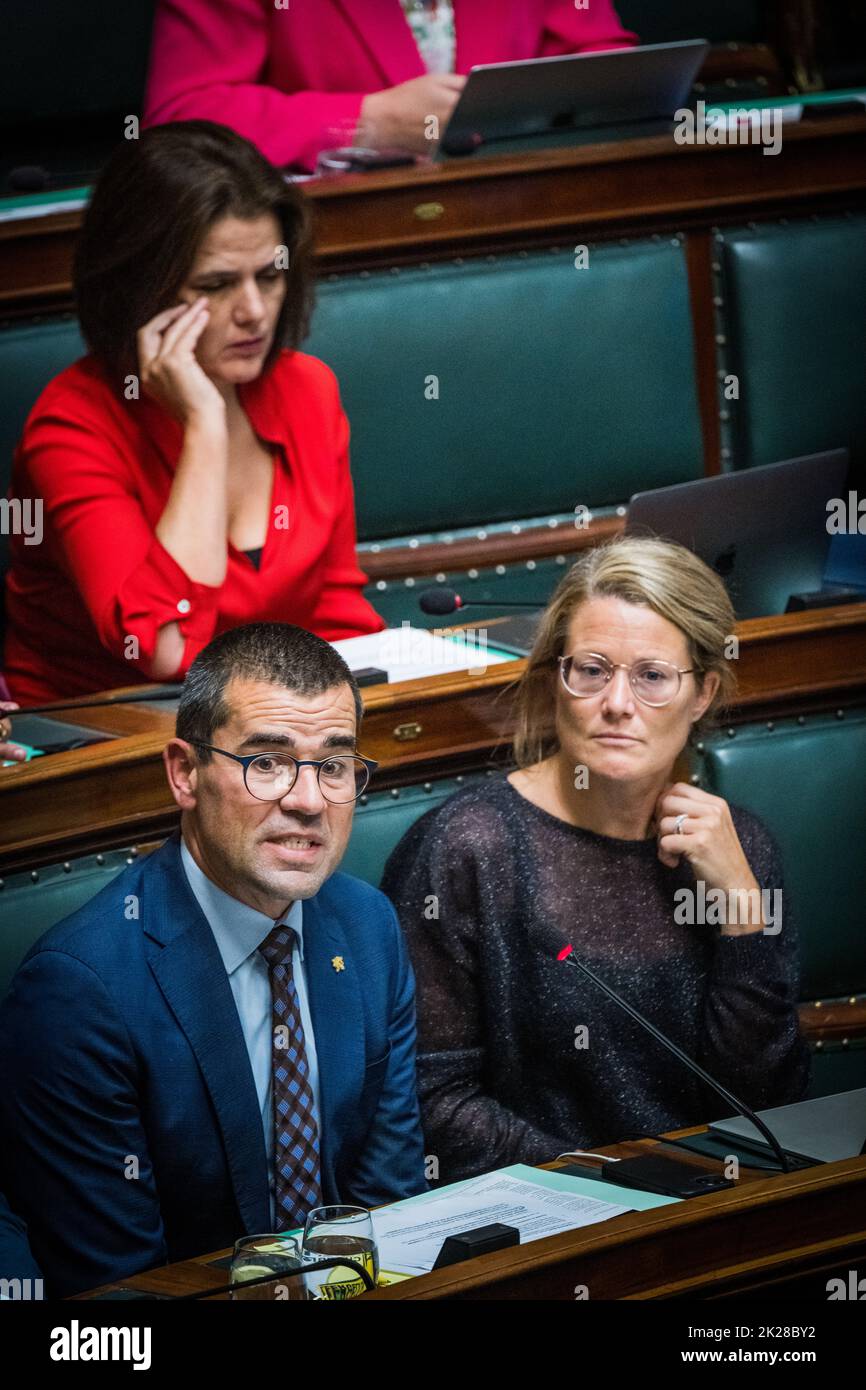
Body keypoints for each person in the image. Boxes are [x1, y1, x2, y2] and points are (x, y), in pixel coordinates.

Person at [0, 622, 426, 1296]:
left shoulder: (368, 926)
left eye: (334, 765)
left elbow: (387, 1206)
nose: (309, 801)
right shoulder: (80, 990)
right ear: (185, 774)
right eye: (268, 763)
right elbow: (123, 1289)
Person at [382, 537, 811, 1183]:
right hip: (544, 1223)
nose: (617, 703)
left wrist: (745, 919)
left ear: (702, 694)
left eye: (653, 676)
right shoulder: (466, 847)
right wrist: (612, 1187)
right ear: (557, 678)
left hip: (723, 1211)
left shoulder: (740, 848)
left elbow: (770, 1107)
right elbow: (433, 1106)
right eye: (591, 669)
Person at [3, 121, 384, 705]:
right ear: (141, 290)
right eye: (216, 284)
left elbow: (336, 612)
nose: (254, 311)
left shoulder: (308, 389)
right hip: (107, 750)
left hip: (272, 732)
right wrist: (206, 427)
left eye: (270, 275)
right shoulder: (71, 429)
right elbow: (165, 650)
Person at [144, 0, 637, 171]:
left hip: (526, 225)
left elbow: (603, 65)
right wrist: (367, 123)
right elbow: (182, 118)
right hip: (337, 250)